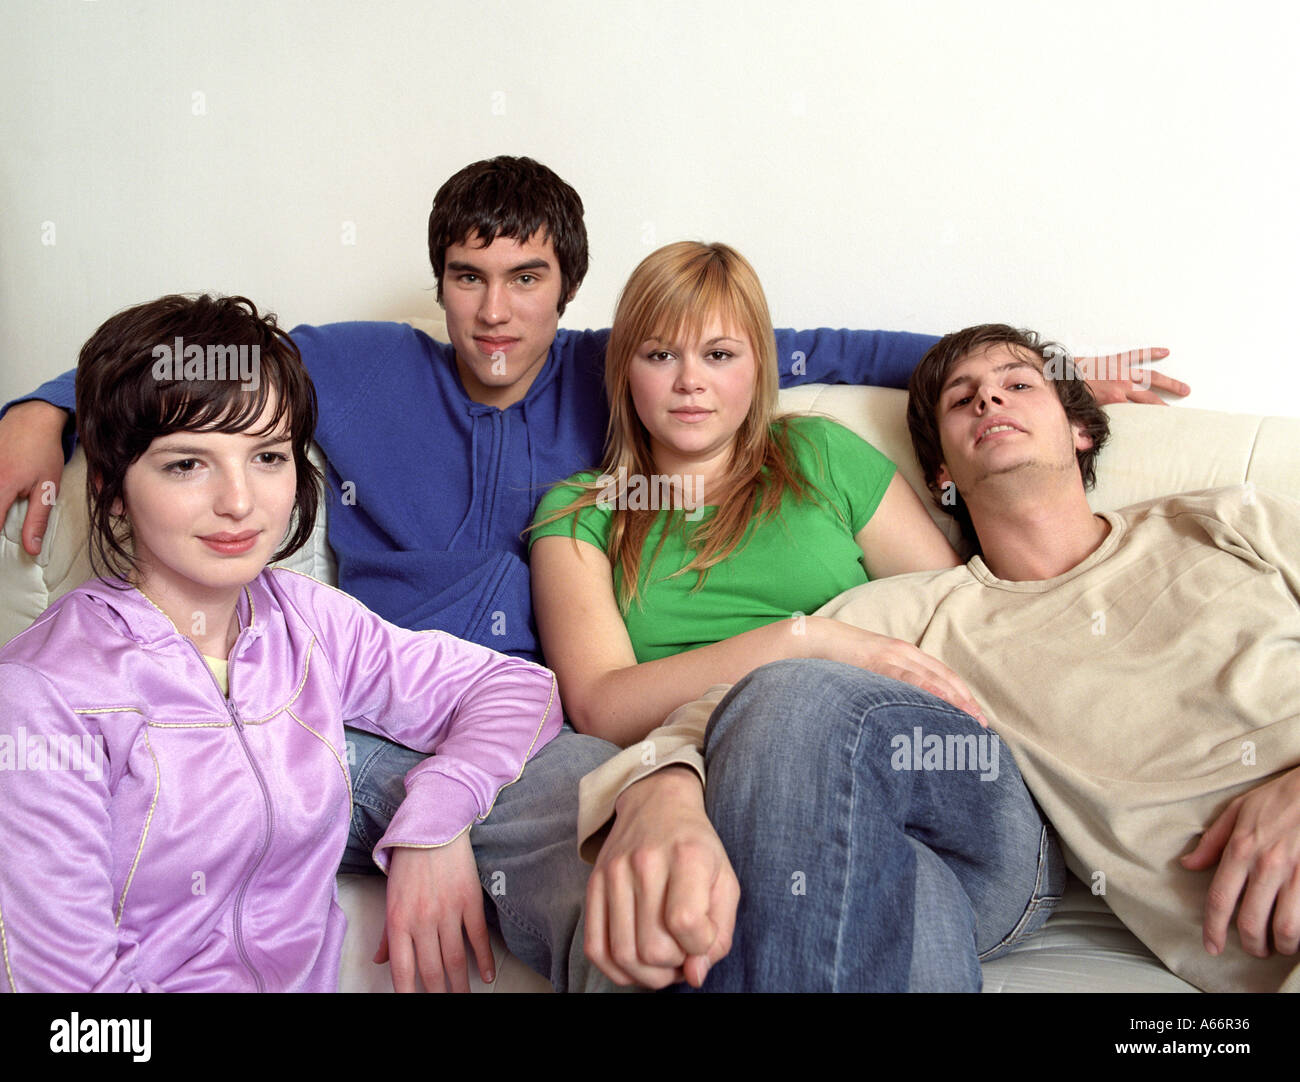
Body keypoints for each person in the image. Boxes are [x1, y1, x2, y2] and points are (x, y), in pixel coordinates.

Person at [0, 157, 1183, 992]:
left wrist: (1045, 372)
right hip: (468, 727)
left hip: (676, 735)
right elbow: (190, 379)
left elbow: (932, 580)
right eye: (469, 275)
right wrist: (36, 410)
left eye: (526, 278)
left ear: (568, 294)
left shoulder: (792, 443)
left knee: (715, 805)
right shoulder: (468, 439)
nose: (496, 309)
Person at [582, 322, 1300, 993]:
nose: (989, 396)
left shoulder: (1227, 519)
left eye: (1019, 383)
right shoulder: (920, 614)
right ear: (941, 480)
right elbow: (745, 709)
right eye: (964, 399)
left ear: (1080, 430)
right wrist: (659, 792)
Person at [529, 243, 1064, 990]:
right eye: (659, 355)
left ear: (759, 367)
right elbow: (601, 702)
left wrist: (1067, 385)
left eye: (719, 353)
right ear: (623, 368)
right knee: (907, 886)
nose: (690, 382)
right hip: (757, 824)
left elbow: (956, 619)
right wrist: (800, 639)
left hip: (939, 787)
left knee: (795, 697)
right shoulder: (583, 513)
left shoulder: (818, 455)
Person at [0, 293, 562, 992]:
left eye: (267, 456)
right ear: (114, 490)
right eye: (187, 464)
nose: (240, 501)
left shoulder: (308, 620)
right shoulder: (43, 694)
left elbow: (518, 687)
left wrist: (434, 820)